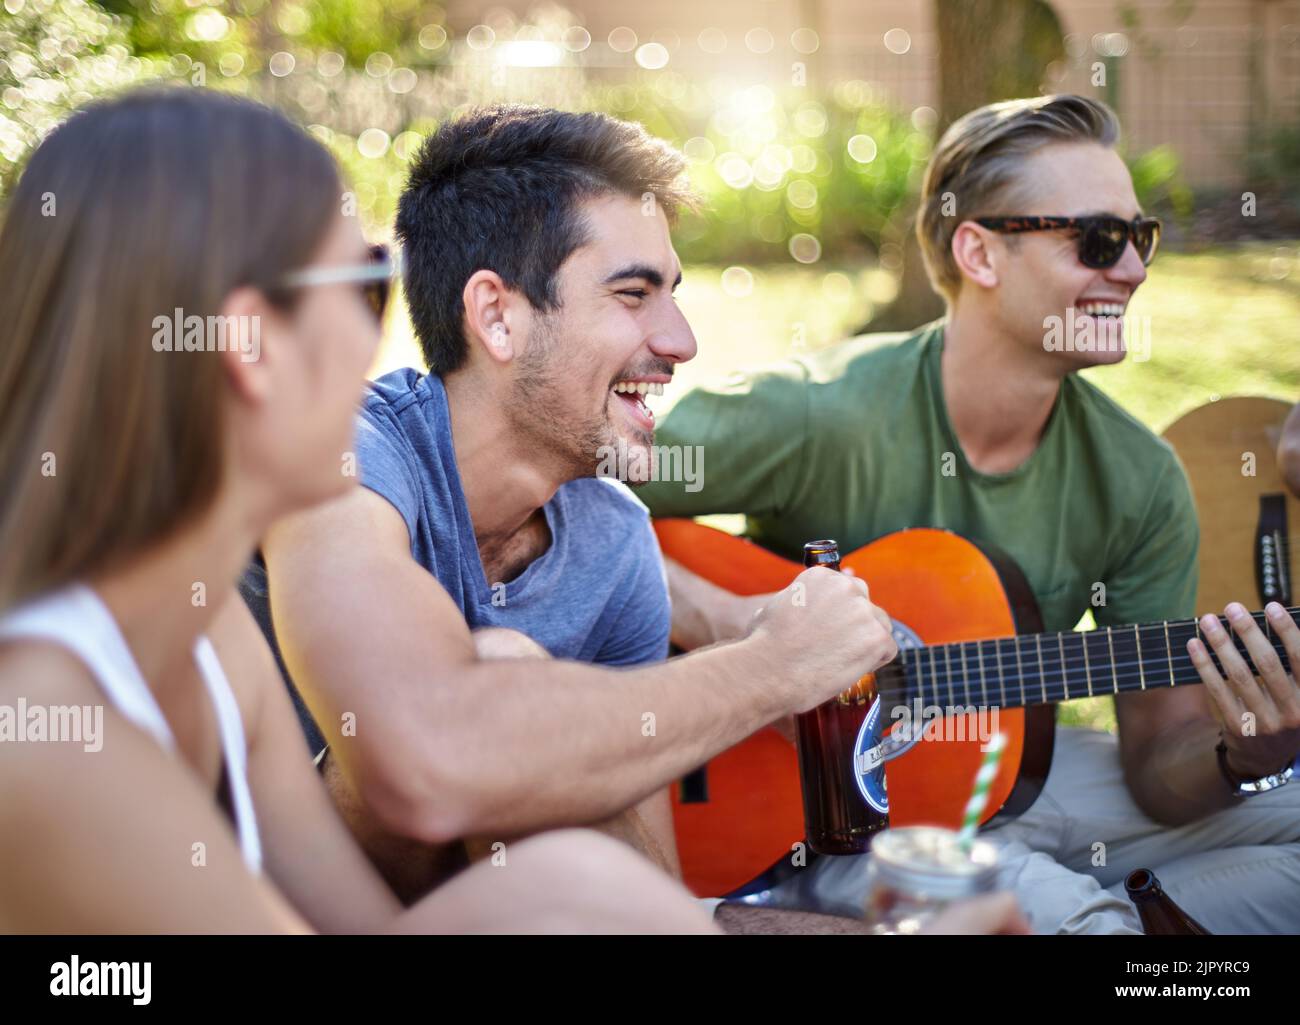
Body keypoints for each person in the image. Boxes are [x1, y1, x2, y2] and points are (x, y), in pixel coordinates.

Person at [0, 87, 718, 935]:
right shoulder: (44, 730)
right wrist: (768, 658)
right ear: (250, 346)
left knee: (571, 884)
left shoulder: (208, 643)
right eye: (369, 286)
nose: (389, 355)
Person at [637, 94, 1300, 933]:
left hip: (1010, 770)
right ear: (979, 252)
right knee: (1078, 924)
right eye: (1096, 239)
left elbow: (1157, 766)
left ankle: (1138, 916)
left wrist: (1246, 755)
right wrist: (736, 623)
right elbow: (549, 481)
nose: (1131, 270)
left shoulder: (1140, 479)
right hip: (825, 806)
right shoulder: (819, 415)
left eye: (1142, 239)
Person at [235, 104, 903, 917]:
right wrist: (773, 665)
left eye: (674, 296)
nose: (682, 340)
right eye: (633, 294)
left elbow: (644, 889)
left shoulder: (614, 540)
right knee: (502, 676)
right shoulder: (348, 455)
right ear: (497, 316)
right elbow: (417, 758)